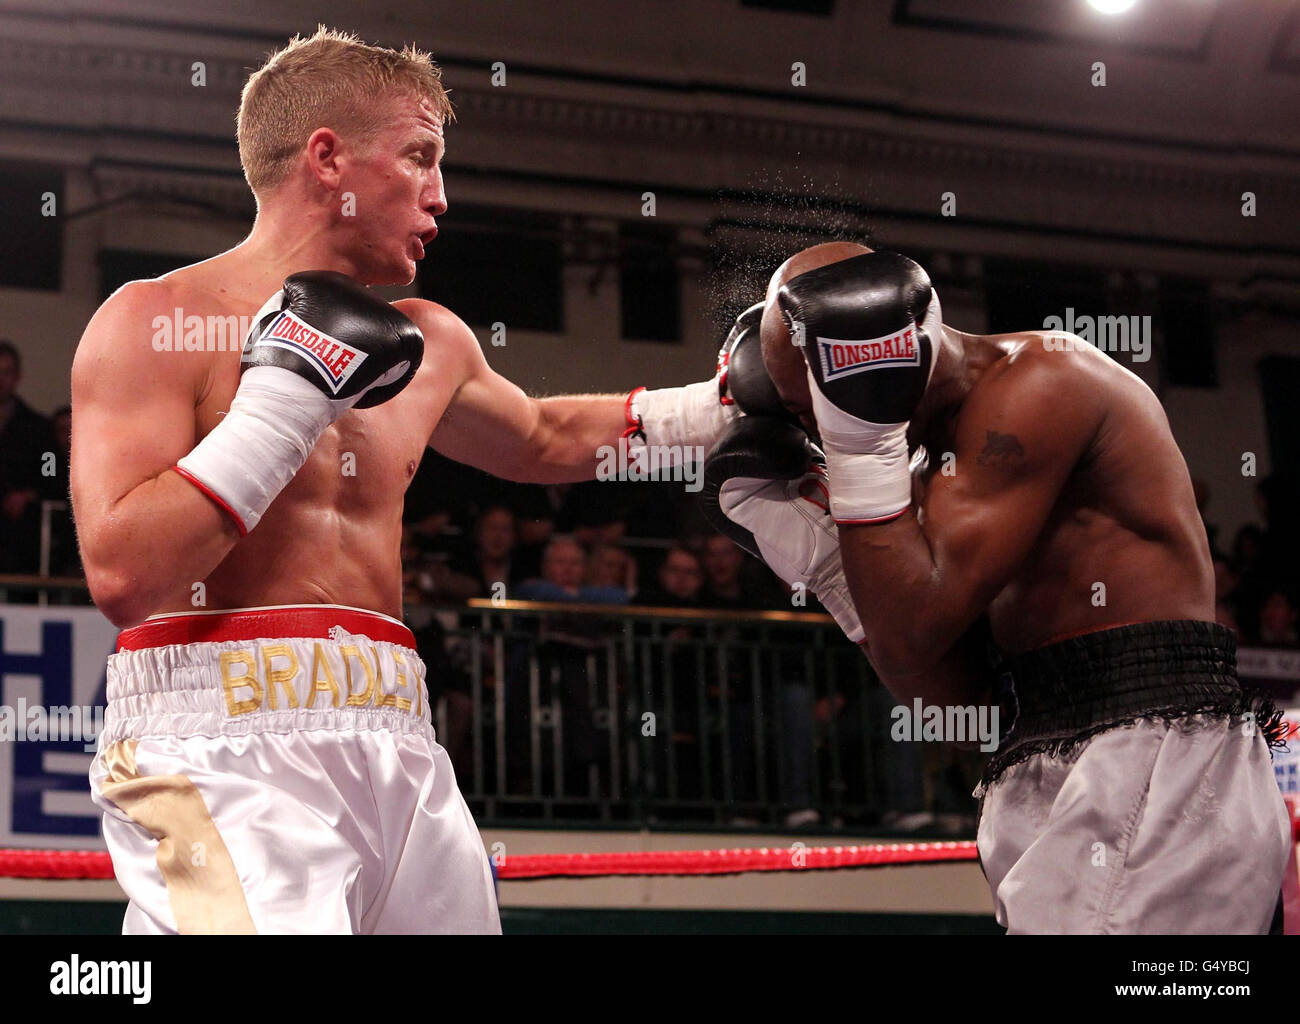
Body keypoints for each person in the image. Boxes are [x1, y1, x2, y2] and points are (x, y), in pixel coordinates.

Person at [71, 28, 744, 934]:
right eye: (419, 157)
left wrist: (726, 407)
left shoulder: (429, 340)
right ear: (328, 160)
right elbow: (123, 574)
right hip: (217, 736)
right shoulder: (159, 319)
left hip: (395, 727)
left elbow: (542, 438)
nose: (441, 195)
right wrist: (280, 404)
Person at [709, 240, 1291, 933]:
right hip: (1040, 753)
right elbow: (959, 702)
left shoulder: (1043, 380)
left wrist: (858, 464)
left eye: (822, 401)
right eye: (801, 413)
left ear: (882, 353)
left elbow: (913, 629)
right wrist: (833, 571)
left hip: (1155, 751)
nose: (820, 426)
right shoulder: (923, 478)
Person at [0, 340, 58, 575]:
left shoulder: (39, 429)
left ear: (17, 377)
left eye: (6, 373)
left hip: (20, 539)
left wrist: (29, 494)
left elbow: (52, 474)